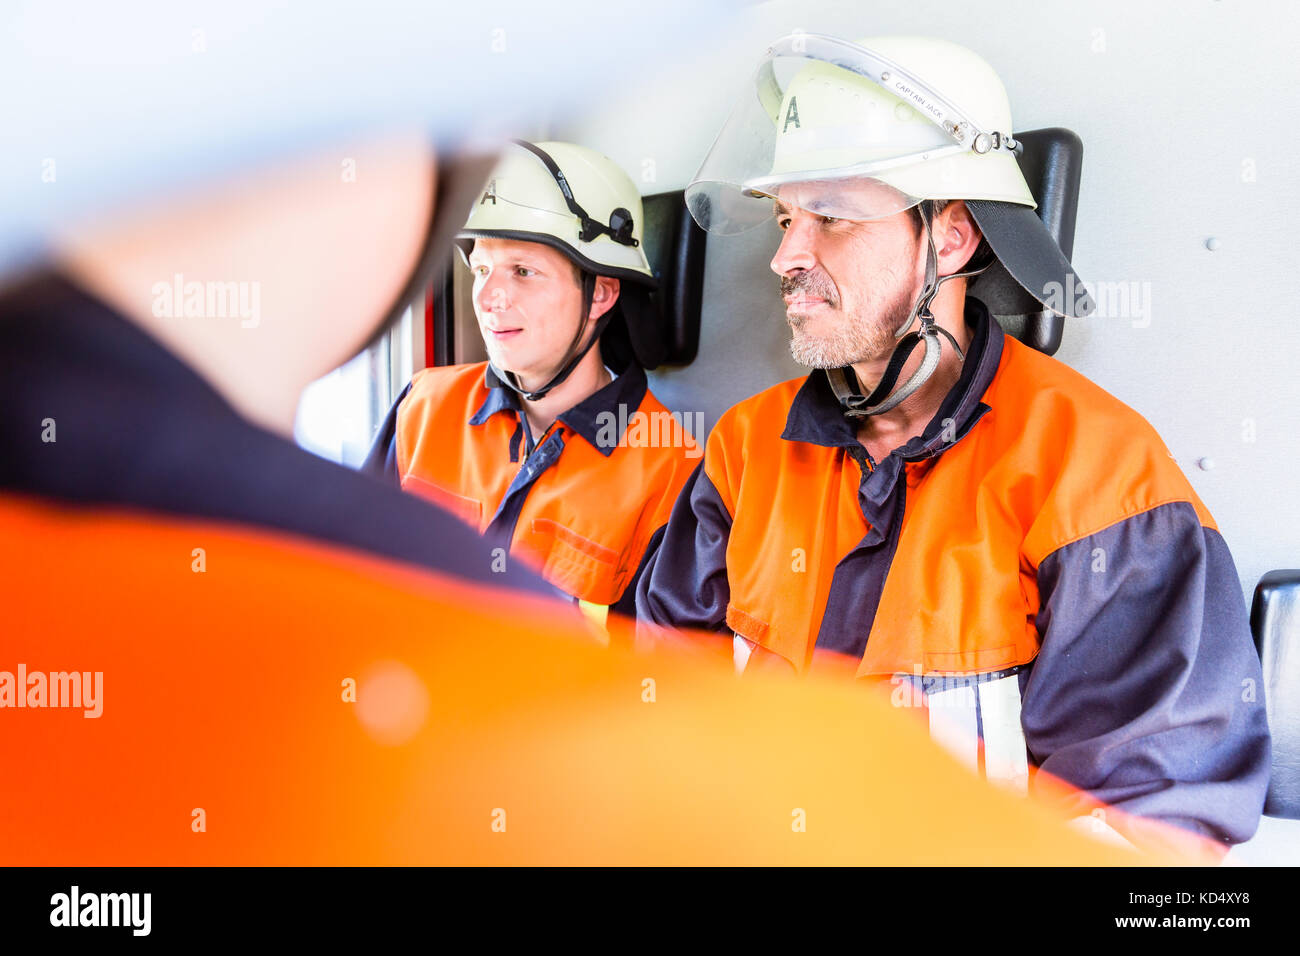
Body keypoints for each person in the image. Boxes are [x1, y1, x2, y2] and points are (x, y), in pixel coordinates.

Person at [636, 33, 1271, 854]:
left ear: (954, 238)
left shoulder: (1099, 475)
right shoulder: (745, 451)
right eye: (788, 219)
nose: (787, 255)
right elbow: (656, 708)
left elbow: (1156, 832)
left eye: (831, 216)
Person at [364, 141, 699, 624]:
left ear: (601, 292)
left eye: (523, 271)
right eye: (482, 269)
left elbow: (658, 673)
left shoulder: (669, 472)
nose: (490, 297)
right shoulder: (422, 406)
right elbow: (345, 576)